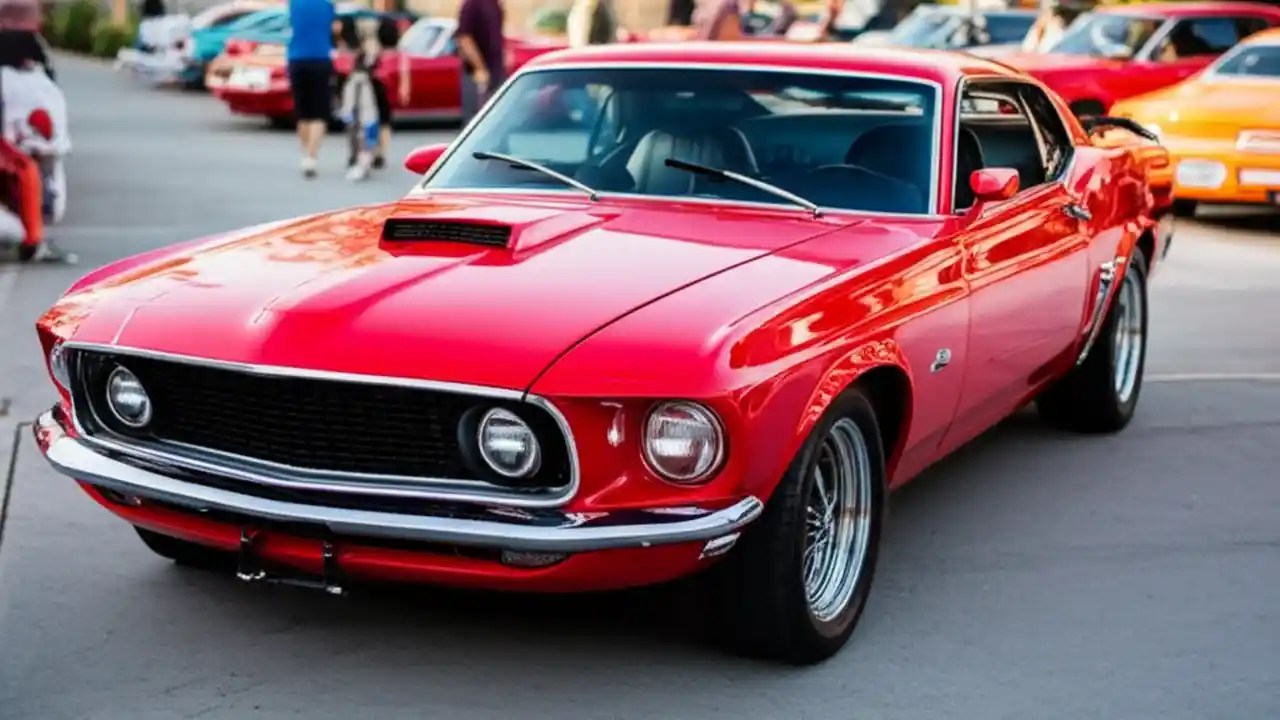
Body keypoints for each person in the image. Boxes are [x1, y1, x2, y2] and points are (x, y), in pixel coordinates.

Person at [286, 0, 336, 179]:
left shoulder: (294, 4)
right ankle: (312, 157)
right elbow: (334, 28)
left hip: (296, 59)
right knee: (319, 112)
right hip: (320, 59)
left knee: (303, 111)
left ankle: (305, 153)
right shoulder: (327, 5)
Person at [455, 0, 504, 122]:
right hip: (477, 75)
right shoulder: (472, 4)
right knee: (476, 120)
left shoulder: (495, 4)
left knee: (496, 119)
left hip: (496, 72)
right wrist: (480, 67)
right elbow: (464, 38)